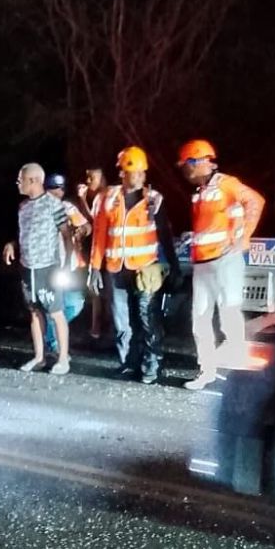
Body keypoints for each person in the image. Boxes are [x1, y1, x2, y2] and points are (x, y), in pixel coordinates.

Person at [178, 138, 265, 390]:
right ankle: (206, 371)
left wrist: (243, 237)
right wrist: (192, 238)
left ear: (199, 161)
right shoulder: (199, 193)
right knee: (200, 319)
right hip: (203, 263)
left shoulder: (227, 184)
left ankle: (239, 373)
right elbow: (210, 226)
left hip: (226, 261)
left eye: (187, 165)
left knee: (229, 315)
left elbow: (255, 202)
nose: (185, 170)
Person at [89, 146, 176, 385]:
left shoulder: (152, 200)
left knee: (147, 320)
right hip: (116, 269)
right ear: (122, 174)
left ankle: (152, 364)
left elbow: (164, 234)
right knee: (122, 322)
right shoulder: (107, 199)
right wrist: (95, 267)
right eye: (133, 173)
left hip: (144, 269)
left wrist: (173, 265)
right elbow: (99, 235)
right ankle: (129, 362)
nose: (137, 177)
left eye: (141, 173)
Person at [2, 163, 74, 375]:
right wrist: (12, 244)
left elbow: (67, 235)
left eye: (20, 179)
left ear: (32, 180)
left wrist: (66, 265)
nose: (18, 183)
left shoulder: (54, 205)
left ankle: (63, 359)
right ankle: (39, 357)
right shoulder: (23, 207)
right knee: (34, 312)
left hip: (47, 267)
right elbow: (24, 234)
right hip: (28, 267)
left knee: (56, 312)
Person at [43, 174, 91, 354]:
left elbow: (87, 226)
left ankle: (52, 334)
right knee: (53, 305)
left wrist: (81, 231)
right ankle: (54, 345)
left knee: (75, 303)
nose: (59, 192)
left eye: (61, 188)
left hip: (68, 264)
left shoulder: (67, 207)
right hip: (48, 264)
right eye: (55, 188)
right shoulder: (39, 209)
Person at [77, 167, 107, 342]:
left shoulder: (106, 196)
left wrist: (82, 200)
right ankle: (96, 327)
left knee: (98, 291)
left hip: (106, 251)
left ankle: (98, 327)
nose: (88, 181)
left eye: (92, 178)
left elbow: (95, 220)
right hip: (94, 249)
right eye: (87, 177)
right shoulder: (96, 197)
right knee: (95, 290)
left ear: (102, 179)